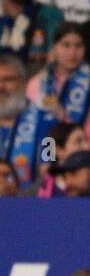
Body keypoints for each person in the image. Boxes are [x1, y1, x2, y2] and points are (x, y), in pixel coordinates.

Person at [26, 22, 90, 145]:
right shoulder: (36, 84)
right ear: (54, 47)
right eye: (66, 45)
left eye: (78, 46)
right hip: (43, 155)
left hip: (81, 154)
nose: (72, 53)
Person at [0, 52, 57, 190]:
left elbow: (49, 171)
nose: (1, 87)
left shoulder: (47, 122)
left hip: (27, 204)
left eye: (8, 80)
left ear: (24, 83)